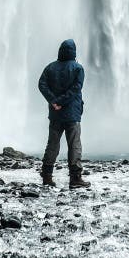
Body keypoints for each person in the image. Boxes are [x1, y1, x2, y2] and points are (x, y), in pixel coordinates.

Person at [37, 38, 91, 189]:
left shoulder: (50, 68)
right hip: (72, 113)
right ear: (73, 52)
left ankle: (47, 176)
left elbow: (41, 84)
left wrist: (54, 101)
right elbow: (76, 89)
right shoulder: (78, 68)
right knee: (74, 144)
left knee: (52, 144)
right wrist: (60, 101)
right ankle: (75, 178)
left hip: (55, 113)